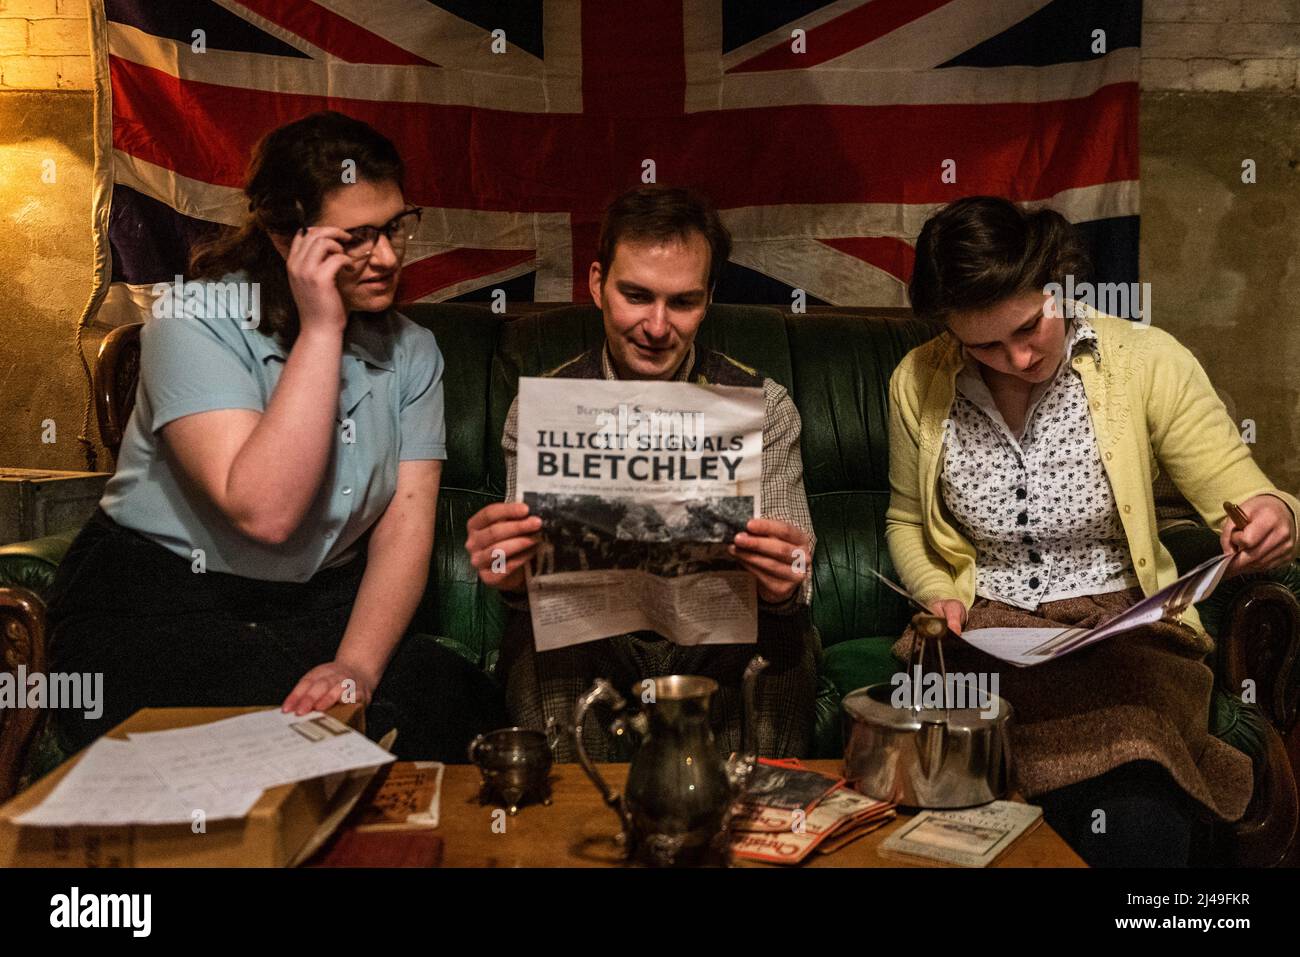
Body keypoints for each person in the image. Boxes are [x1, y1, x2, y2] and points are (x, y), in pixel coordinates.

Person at [46, 111, 504, 760]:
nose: (388, 256)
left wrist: (357, 667)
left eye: (397, 225)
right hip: (162, 602)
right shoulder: (195, 320)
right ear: (288, 238)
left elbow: (405, 525)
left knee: (455, 705)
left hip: (318, 606)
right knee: (294, 744)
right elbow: (264, 509)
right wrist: (322, 329)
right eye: (357, 237)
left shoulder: (413, 351)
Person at [887, 195, 1300, 866]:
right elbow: (904, 518)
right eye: (985, 344)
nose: (1017, 356)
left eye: (1029, 326)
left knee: (1138, 798)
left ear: (1057, 280)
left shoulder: (1146, 360)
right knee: (951, 800)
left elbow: (1246, 489)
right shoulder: (917, 380)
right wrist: (937, 590)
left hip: (1122, 631)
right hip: (984, 631)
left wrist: (1275, 516)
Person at [463, 185, 819, 760]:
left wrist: (786, 579)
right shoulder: (540, 408)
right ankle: (571, 824)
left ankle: (753, 819)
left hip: (718, 645)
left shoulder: (764, 405)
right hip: (591, 641)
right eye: (636, 295)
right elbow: (523, 595)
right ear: (597, 283)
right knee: (536, 647)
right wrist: (506, 571)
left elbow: (797, 584)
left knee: (785, 641)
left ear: (708, 300)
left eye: (682, 302)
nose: (657, 326)